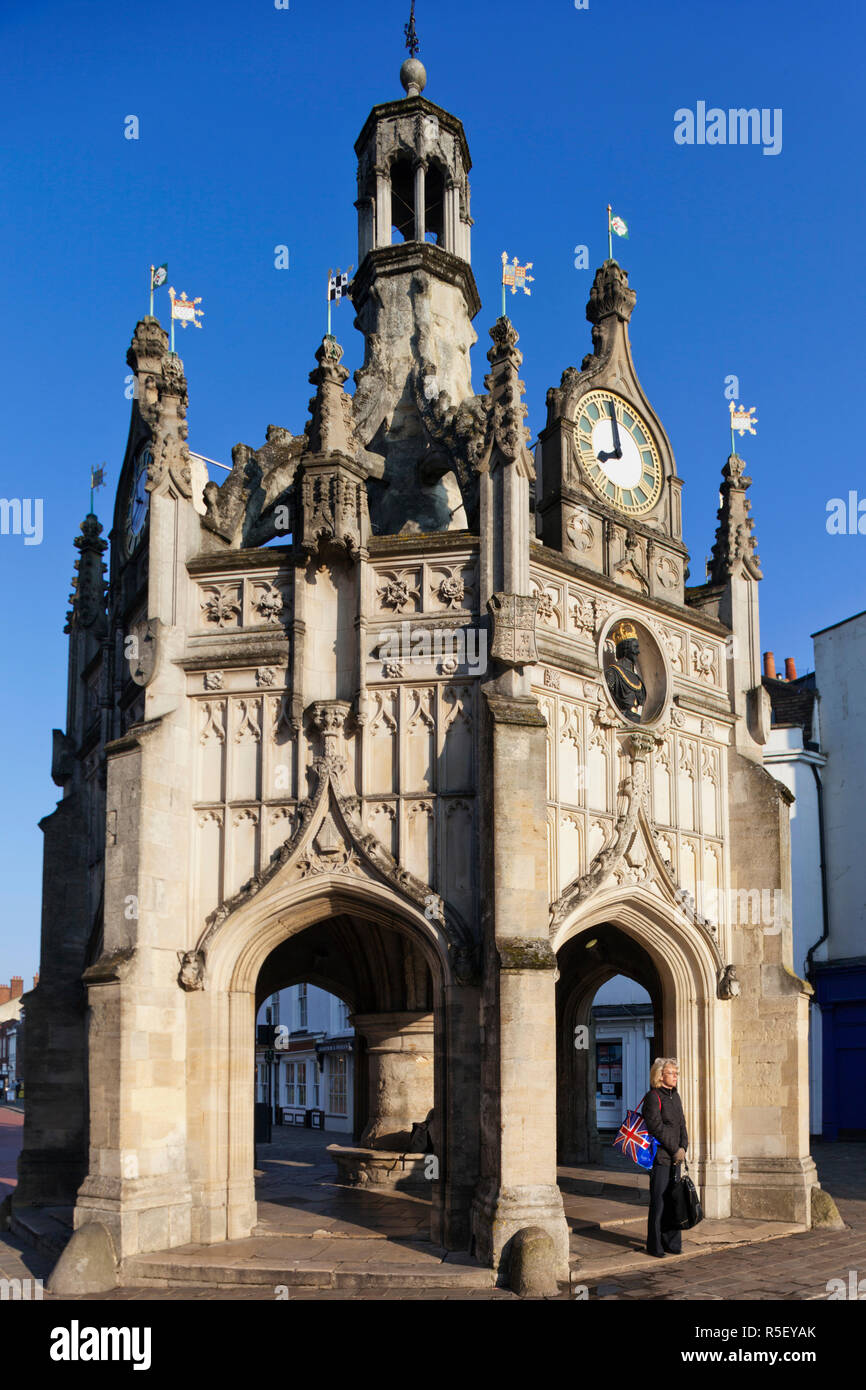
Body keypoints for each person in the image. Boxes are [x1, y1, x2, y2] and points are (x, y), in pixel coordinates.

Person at [641, 1056, 688, 1257]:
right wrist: (674, 1149)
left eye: (676, 1073)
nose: (675, 1076)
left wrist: (684, 1146)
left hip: (676, 1157)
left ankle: (672, 1243)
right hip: (661, 1157)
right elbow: (655, 1128)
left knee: (674, 1200)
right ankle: (655, 1245)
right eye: (671, 1073)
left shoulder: (675, 1096)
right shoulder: (653, 1097)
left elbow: (682, 1124)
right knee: (659, 1202)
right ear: (660, 1076)